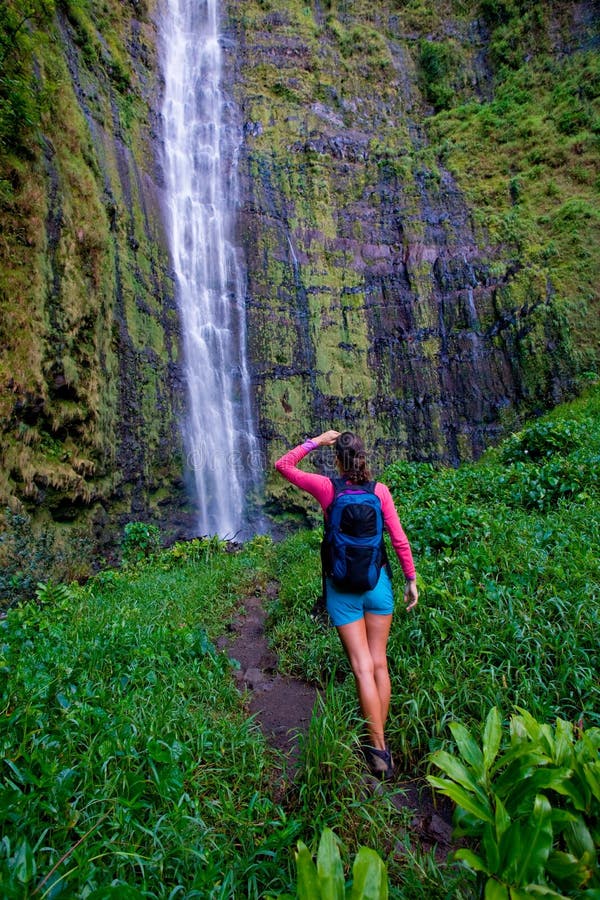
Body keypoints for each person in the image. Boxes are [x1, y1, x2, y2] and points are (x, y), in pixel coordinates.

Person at [275, 429, 418, 780]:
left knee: (361, 667)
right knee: (379, 664)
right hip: (377, 584)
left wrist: (314, 442)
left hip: (342, 588)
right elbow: (398, 539)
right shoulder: (380, 491)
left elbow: (283, 465)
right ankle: (380, 743)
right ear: (364, 458)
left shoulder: (327, 489)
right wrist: (411, 579)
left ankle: (378, 749)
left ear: (337, 460)